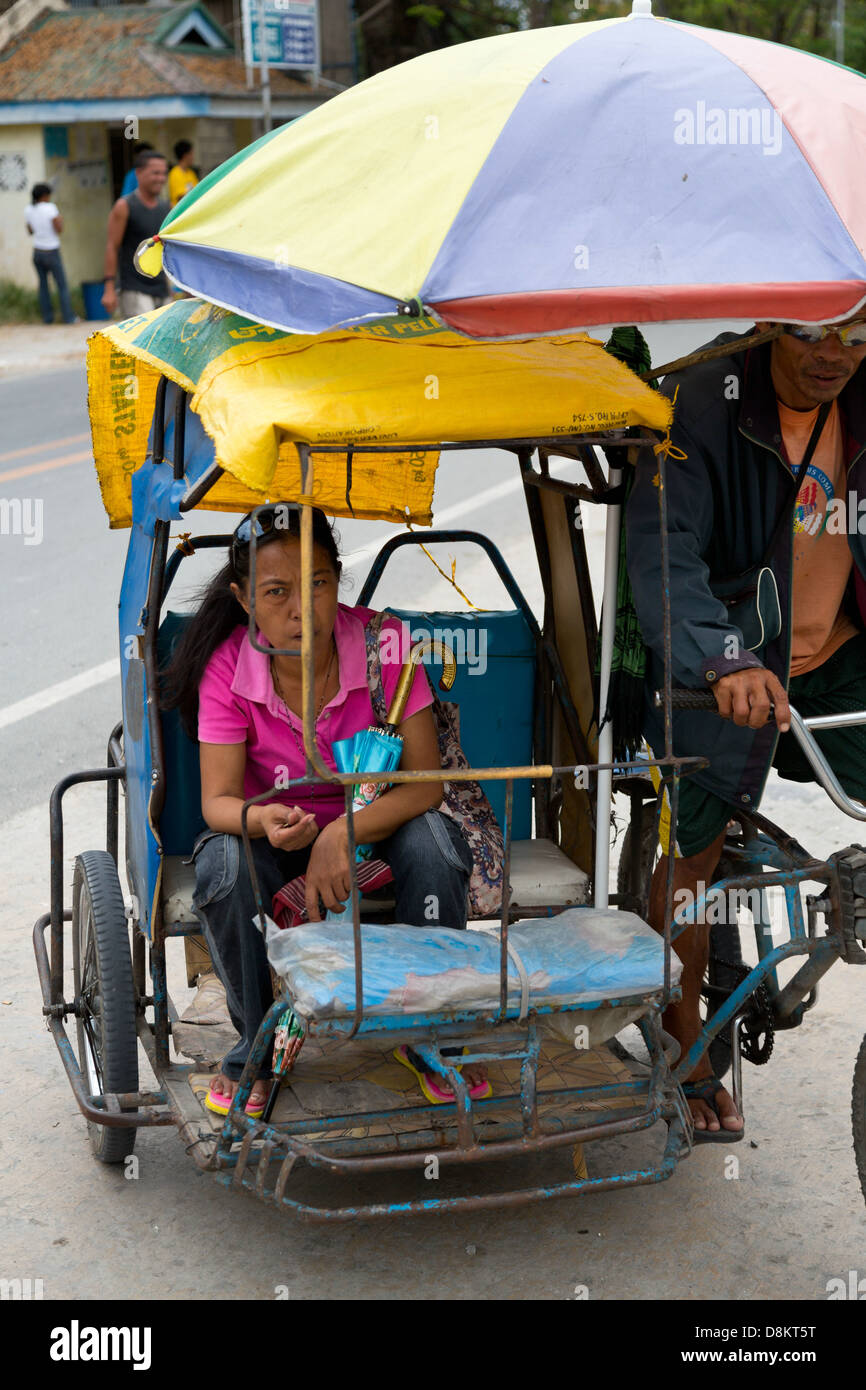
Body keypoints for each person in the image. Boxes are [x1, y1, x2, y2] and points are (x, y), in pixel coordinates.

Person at [162, 505, 490, 1118]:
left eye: (318, 584)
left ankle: (432, 1040)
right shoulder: (229, 668)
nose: (300, 609)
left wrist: (341, 832)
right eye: (276, 592)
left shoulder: (384, 644)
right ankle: (258, 1049)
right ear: (243, 598)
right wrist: (264, 820)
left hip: (378, 822)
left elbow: (423, 786)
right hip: (273, 832)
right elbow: (219, 804)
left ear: (338, 580)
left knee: (437, 846)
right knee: (224, 867)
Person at [627, 314, 866, 1140]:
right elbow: (665, 550)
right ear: (772, 323)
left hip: (839, 653)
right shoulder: (704, 399)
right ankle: (681, 1035)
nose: (835, 355)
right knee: (693, 851)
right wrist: (721, 659)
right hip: (729, 659)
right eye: (816, 333)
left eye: (859, 335)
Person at [102, 150, 171, 319]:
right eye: (155, 173)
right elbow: (112, 246)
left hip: (162, 288)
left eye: (163, 173)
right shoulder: (124, 206)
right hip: (134, 289)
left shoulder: (166, 207)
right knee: (142, 340)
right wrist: (109, 288)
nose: (161, 178)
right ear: (139, 173)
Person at [25, 183, 77, 325]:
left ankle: (47, 318)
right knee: (62, 285)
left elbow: (30, 231)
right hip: (51, 251)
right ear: (45, 196)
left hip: (37, 252)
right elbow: (59, 229)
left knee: (43, 286)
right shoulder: (50, 208)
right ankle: (68, 317)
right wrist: (60, 220)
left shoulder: (29, 209)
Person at [167, 139, 199, 208]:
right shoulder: (175, 173)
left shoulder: (191, 173)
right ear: (185, 155)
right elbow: (181, 197)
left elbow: (198, 191)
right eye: (191, 154)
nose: (193, 157)